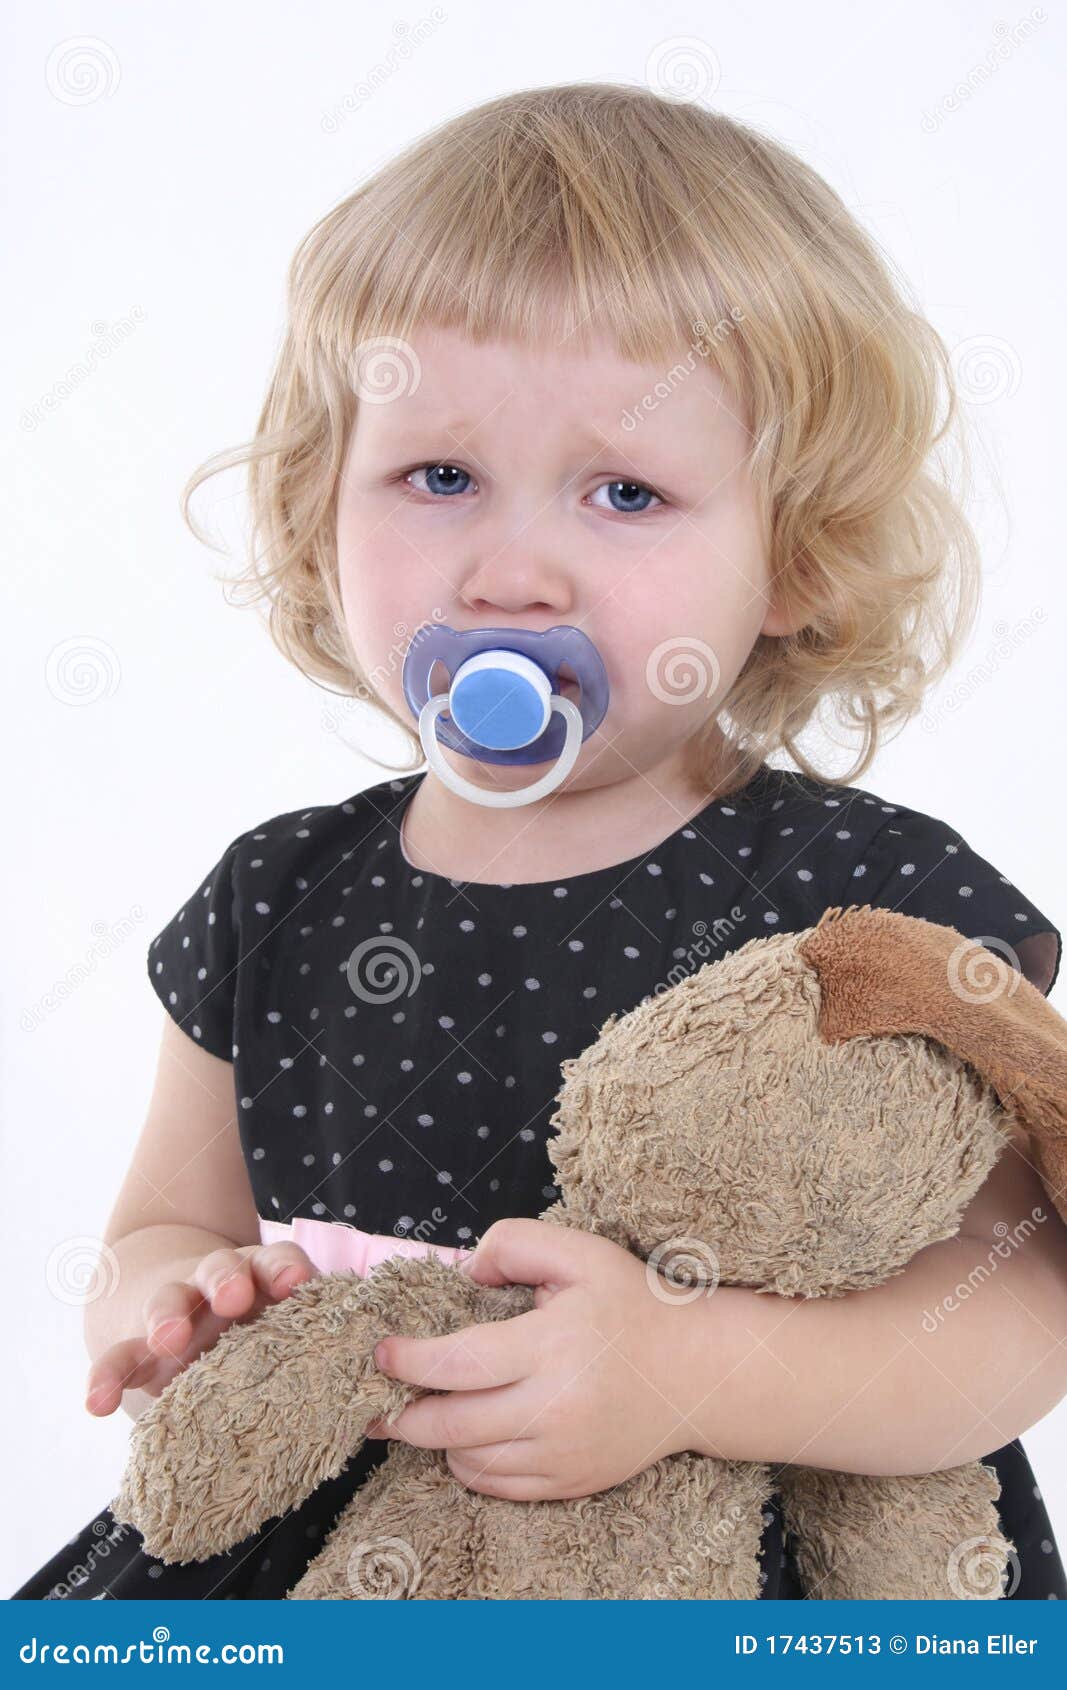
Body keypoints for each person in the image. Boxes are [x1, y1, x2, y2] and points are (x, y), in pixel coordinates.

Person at [13, 82, 1067, 1601]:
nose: (514, 570)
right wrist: (181, 1298)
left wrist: (697, 1373)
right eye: (439, 477)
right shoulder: (279, 893)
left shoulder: (868, 899)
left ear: (794, 551)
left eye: (627, 490)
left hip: (729, 1580)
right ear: (324, 512)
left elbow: (1018, 1300)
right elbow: (164, 1220)